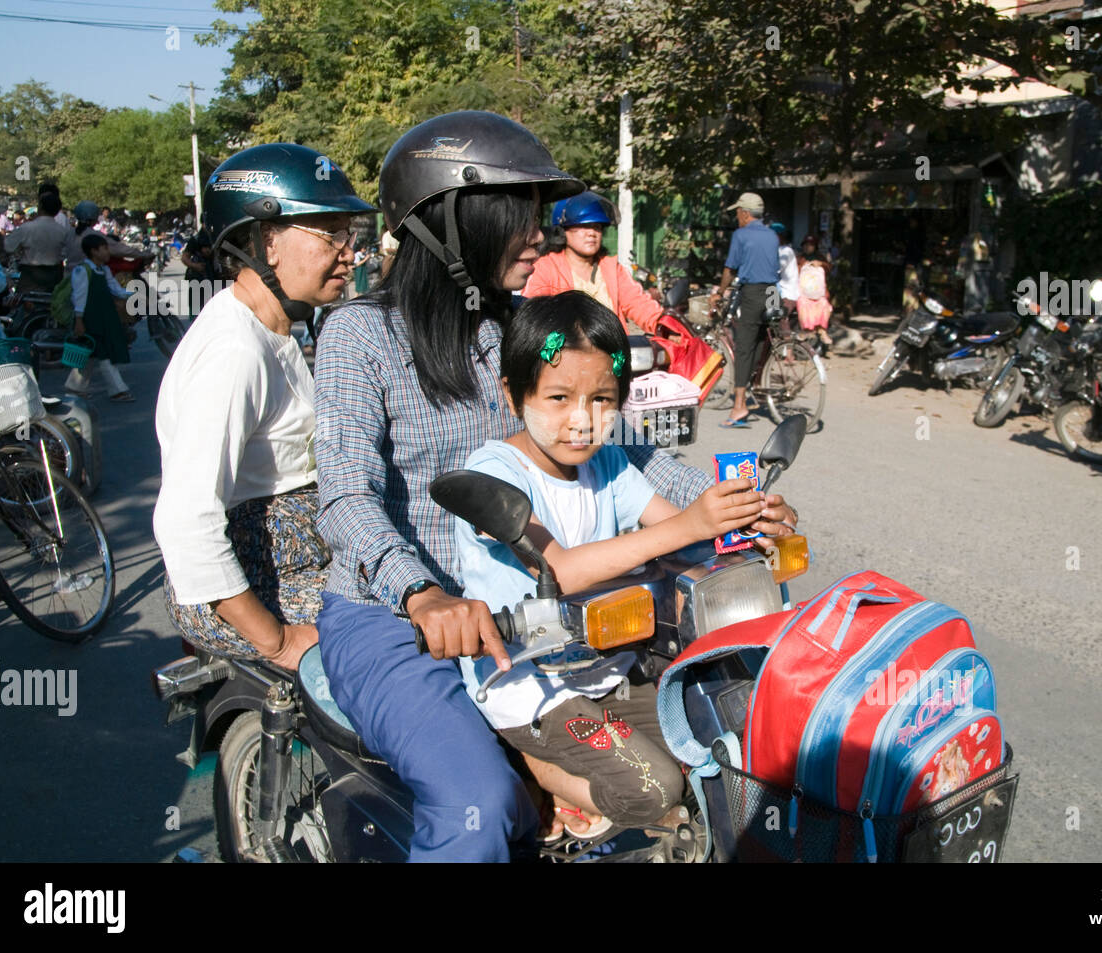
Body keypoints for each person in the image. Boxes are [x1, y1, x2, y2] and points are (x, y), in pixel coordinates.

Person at [312, 110, 798, 863]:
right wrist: (423, 593)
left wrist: (729, 506)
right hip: (398, 615)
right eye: (523, 217)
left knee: (722, 718)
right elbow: (346, 493)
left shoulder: (528, 330)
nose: (539, 236)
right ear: (454, 221)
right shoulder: (360, 334)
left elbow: (620, 448)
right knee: (477, 804)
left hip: (535, 604)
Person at [457, 291, 768, 839]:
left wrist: (737, 523)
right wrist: (687, 527)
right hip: (530, 686)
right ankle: (541, 777)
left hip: (607, 669)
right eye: (558, 397)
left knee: (725, 741)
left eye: (602, 399)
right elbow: (560, 571)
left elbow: (676, 529)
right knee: (653, 790)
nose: (582, 420)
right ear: (513, 395)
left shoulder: (608, 461)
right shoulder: (495, 474)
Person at [152, 143, 375, 670]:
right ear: (267, 242)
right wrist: (276, 640)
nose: (350, 253)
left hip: (298, 557)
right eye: (332, 235)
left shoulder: (274, 330)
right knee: (401, 631)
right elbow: (185, 521)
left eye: (351, 235)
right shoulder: (234, 351)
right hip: (259, 582)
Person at [521, 191, 662, 335]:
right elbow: (533, 316)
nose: (592, 233)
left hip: (615, 353)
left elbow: (639, 304)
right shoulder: (546, 268)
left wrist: (664, 325)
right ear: (563, 231)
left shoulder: (612, 269)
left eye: (597, 227)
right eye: (584, 225)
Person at [708, 192, 779, 428]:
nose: (737, 216)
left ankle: (739, 406)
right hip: (773, 294)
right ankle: (755, 387)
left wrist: (719, 292)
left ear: (745, 213)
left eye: (738, 212)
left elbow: (730, 269)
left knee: (744, 349)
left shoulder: (741, 235)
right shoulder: (772, 235)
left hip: (753, 294)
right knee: (761, 342)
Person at [66, 234, 136, 402]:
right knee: (104, 354)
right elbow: (79, 297)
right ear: (93, 251)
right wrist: (79, 320)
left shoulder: (103, 270)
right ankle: (117, 390)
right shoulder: (82, 270)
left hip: (105, 317)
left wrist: (135, 294)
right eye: (104, 248)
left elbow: (116, 290)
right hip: (91, 318)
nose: (107, 252)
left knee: (92, 353)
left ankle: (75, 386)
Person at [4, 192, 69, 295]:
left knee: (24, 306)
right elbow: (66, 253)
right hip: (55, 276)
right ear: (57, 211)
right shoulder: (63, 231)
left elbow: (8, 247)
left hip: (30, 277)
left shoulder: (26, 228)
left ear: (40, 208)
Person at [65, 201, 149, 269]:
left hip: (67, 278)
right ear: (94, 217)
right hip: (89, 279)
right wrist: (144, 254)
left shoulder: (69, 233)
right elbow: (119, 249)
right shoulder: (94, 236)